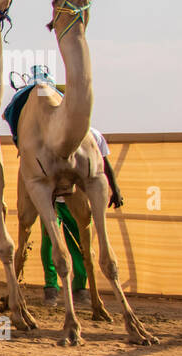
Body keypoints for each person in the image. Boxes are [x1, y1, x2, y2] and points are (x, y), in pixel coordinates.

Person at [40, 127, 122, 306]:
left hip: (75, 197)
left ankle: (80, 287)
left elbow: (104, 162)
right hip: (49, 197)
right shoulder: (46, 134)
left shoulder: (93, 135)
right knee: (49, 242)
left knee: (80, 242)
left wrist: (114, 188)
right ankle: (51, 287)